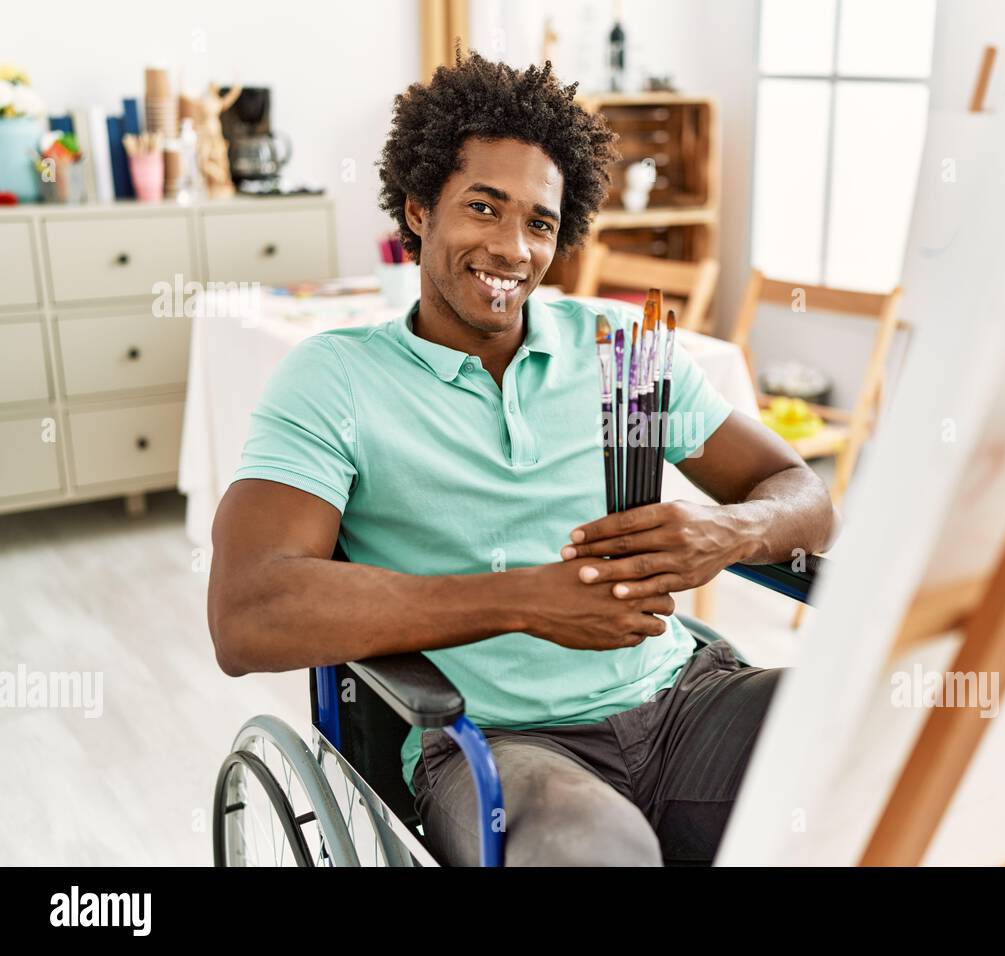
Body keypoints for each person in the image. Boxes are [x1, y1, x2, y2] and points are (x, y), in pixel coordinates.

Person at [207, 51, 836, 866]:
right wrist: (523, 601)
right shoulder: (336, 379)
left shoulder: (620, 352)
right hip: (499, 739)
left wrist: (730, 532)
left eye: (539, 222)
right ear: (419, 209)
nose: (512, 248)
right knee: (595, 848)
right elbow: (247, 612)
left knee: (884, 743)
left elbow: (806, 499)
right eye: (483, 208)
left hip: (687, 700)